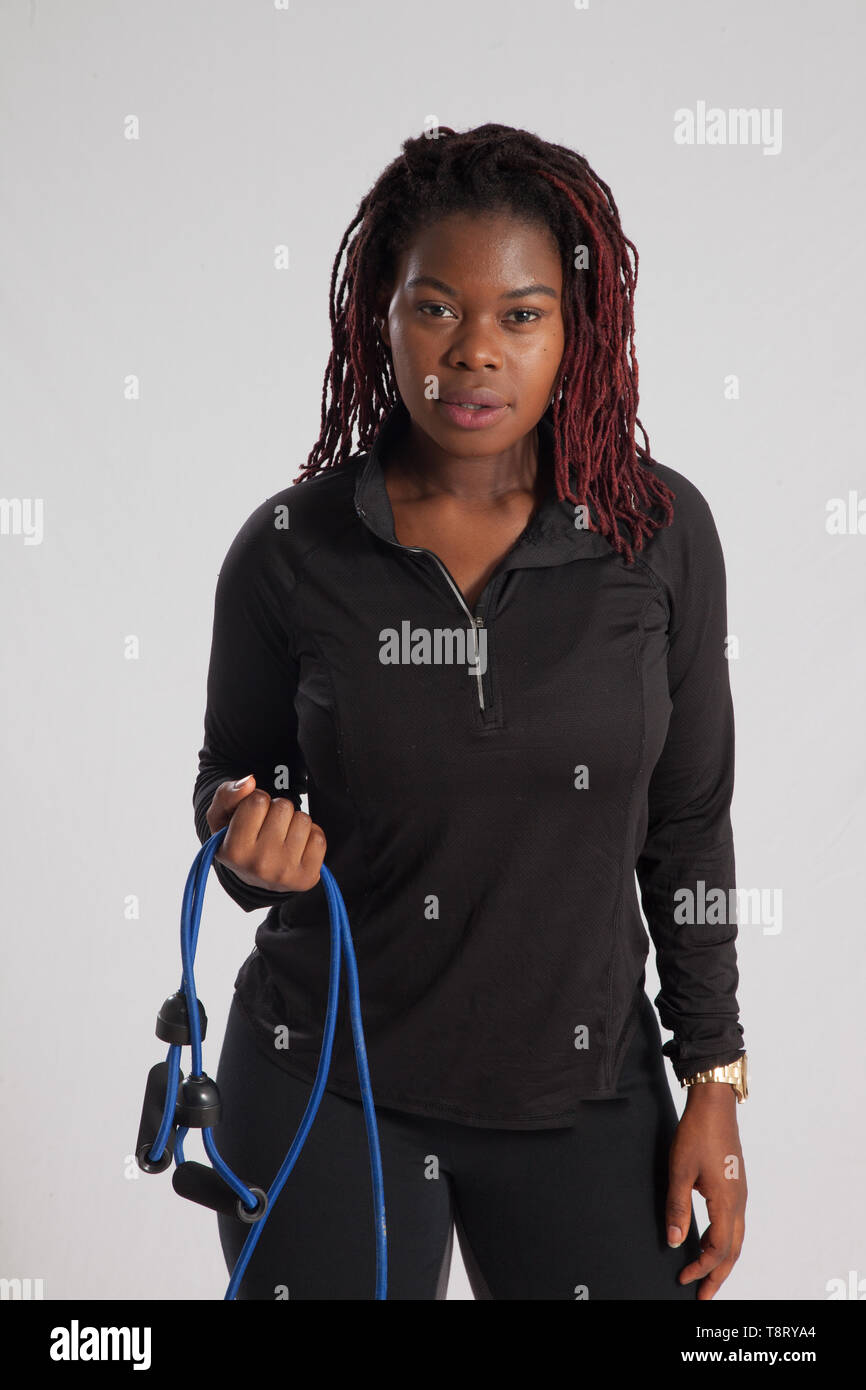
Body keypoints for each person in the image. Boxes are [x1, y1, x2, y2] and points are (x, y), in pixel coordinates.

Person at [193, 122, 748, 1301]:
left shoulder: (656, 536)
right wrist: (245, 838)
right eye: (435, 308)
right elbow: (230, 786)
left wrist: (712, 1074)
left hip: (583, 1094)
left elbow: (688, 822)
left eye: (521, 314)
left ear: (573, 329)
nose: (474, 353)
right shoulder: (290, 552)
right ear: (378, 319)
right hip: (327, 1081)